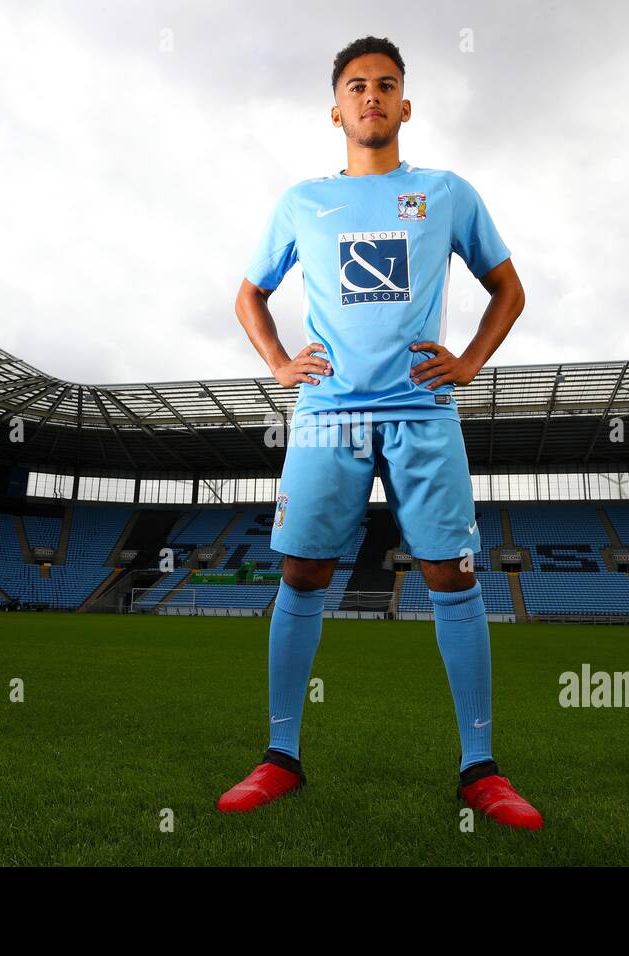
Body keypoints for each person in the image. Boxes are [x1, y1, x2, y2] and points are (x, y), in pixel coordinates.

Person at [221, 36, 542, 829]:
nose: (372, 97)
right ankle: (280, 757)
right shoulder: (302, 202)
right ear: (336, 110)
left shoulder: (446, 193)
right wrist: (277, 363)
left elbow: (508, 289)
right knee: (300, 575)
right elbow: (249, 295)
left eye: (387, 85)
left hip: (423, 414)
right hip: (327, 416)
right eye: (358, 86)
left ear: (405, 104)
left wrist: (468, 361)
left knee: (453, 580)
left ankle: (480, 770)